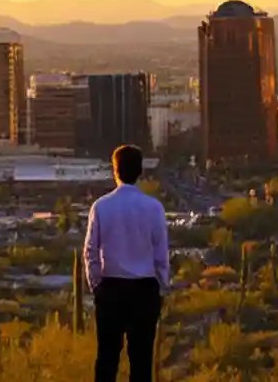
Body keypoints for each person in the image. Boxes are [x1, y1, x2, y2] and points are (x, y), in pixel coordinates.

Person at [83, 145, 169, 382]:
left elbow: (90, 250)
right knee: (142, 362)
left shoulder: (101, 206)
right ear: (140, 171)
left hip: (111, 289)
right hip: (144, 290)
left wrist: (97, 285)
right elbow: (161, 254)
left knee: (107, 359)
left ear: (115, 170)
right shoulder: (154, 208)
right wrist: (162, 287)